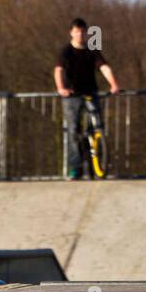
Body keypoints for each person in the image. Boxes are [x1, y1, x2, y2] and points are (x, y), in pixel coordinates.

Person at [53, 18, 120, 180]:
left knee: (96, 127)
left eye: (83, 31)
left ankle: (95, 166)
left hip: (91, 93)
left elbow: (104, 67)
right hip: (72, 96)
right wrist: (61, 88)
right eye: (77, 31)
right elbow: (58, 70)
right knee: (74, 130)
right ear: (71, 33)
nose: (80, 34)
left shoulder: (92, 50)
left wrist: (114, 84)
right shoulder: (66, 51)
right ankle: (75, 168)